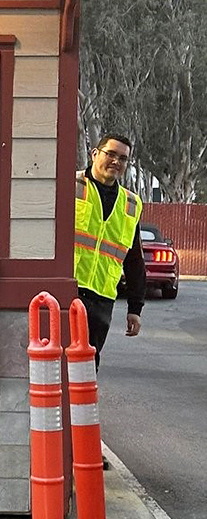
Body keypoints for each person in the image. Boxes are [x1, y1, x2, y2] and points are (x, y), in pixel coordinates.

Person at [75, 134, 146, 370]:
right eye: (111, 154)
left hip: (102, 299)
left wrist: (135, 309)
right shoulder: (69, 186)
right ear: (95, 154)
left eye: (123, 159)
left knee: (87, 367)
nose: (116, 161)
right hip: (68, 290)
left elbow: (134, 260)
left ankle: (81, 409)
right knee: (56, 363)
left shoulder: (131, 203)